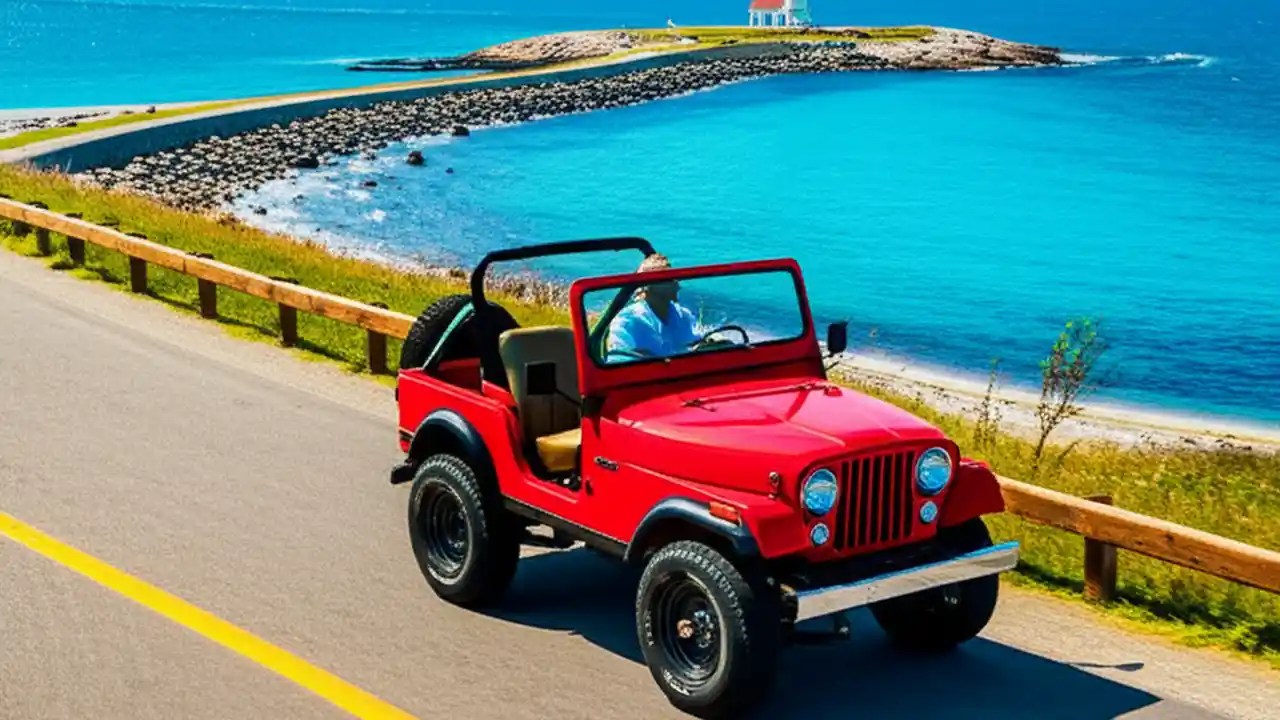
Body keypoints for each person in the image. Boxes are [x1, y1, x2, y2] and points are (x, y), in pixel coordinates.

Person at [605, 253, 702, 362]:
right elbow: (618, 362)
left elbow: (696, 345)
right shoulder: (627, 321)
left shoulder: (683, 315)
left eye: (674, 278)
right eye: (668, 279)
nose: (676, 283)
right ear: (649, 286)